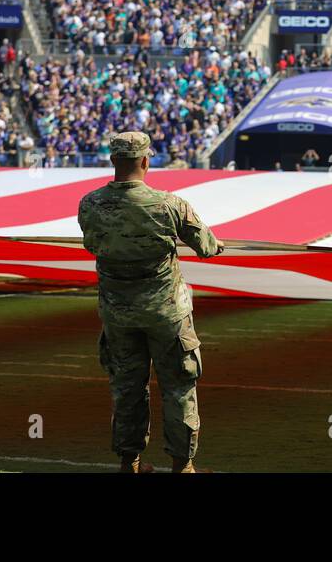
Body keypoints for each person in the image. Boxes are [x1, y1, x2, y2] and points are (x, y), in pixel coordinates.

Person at [79, 131, 225, 474]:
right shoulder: (169, 205)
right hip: (166, 314)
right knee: (178, 387)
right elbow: (206, 246)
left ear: (113, 161)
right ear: (146, 161)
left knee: (127, 388)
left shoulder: (90, 203)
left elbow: (92, 243)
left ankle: (129, 462)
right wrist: (215, 245)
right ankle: (182, 465)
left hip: (118, 314)